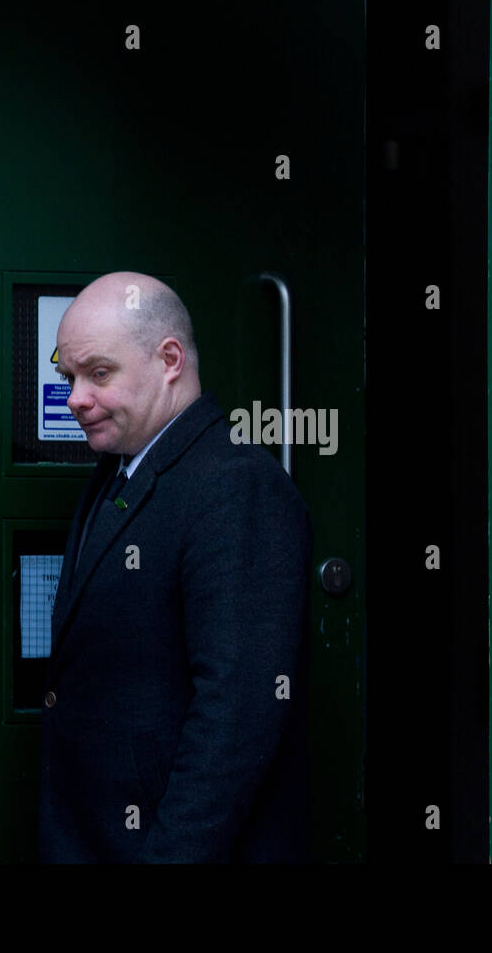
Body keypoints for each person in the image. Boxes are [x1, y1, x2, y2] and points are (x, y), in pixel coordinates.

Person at [40, 272, 312, 862]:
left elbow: (238, 714)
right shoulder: (117, 471)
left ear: (169, 360)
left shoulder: (236, 486)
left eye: (99, 373)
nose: (75, 398)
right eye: (69, 377)